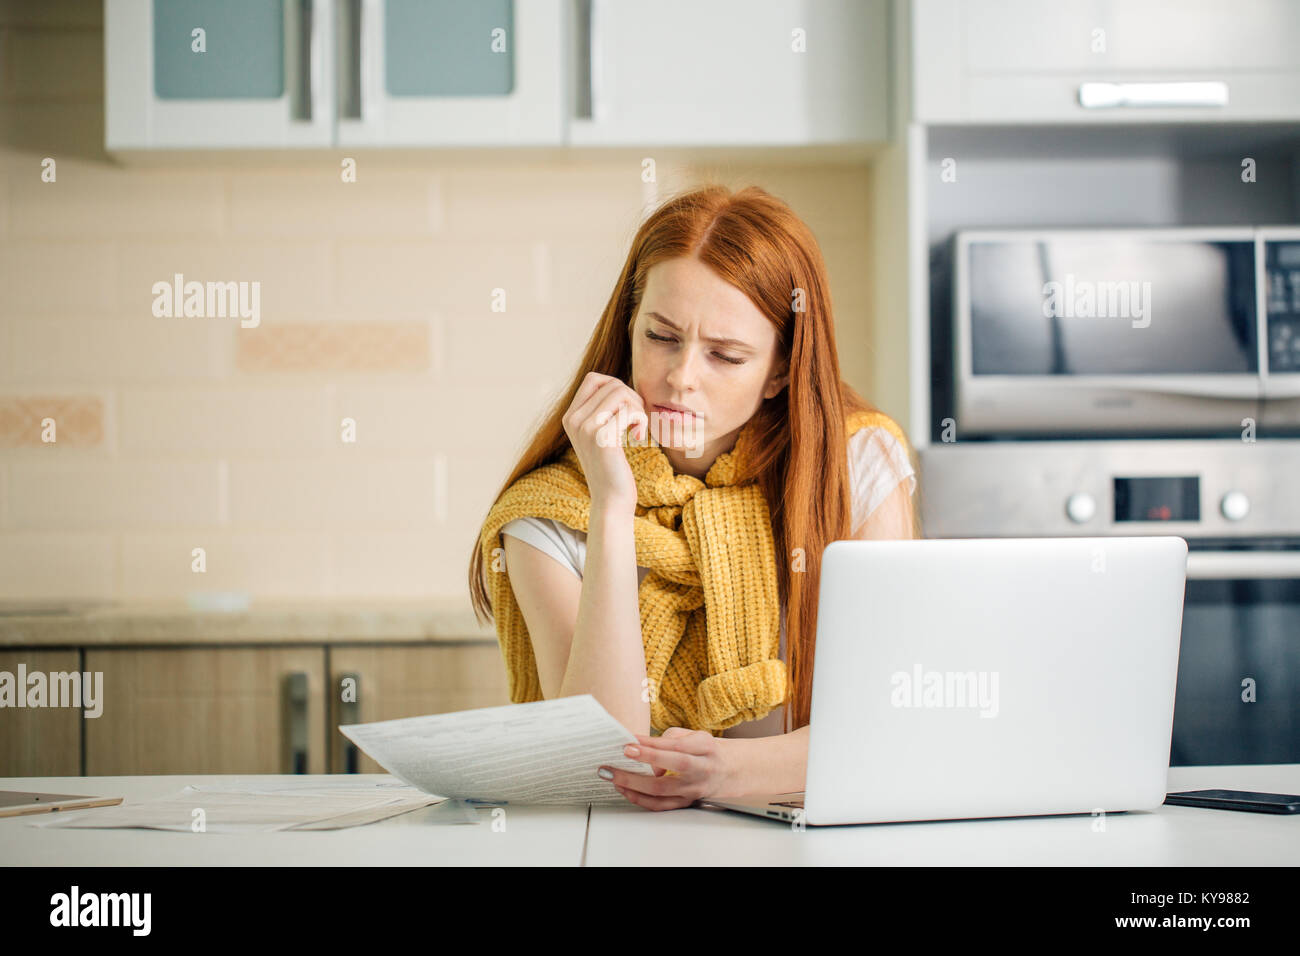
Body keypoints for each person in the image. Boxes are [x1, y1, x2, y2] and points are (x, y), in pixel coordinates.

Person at [469, 184, 920, 810]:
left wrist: (728, 771)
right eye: (661, 337)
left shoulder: (857, 468)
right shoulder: (548, 514)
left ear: (781, 371)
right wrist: (611, 504)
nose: (682, 378)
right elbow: (603, 756)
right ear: (629, 328)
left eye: (726, 355)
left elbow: (895, 721)